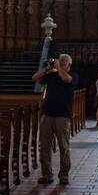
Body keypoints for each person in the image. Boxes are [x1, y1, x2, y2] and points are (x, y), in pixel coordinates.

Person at [33, 53, 78, 185]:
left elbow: (66, 79)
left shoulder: (73, 75)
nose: (61, 62)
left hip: (62, 116)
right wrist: (46, 69)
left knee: (63, 146)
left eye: (64, 61)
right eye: (60, 60)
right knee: (44, 146)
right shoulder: (52, 74)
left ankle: (64, 175)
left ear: (69, 64)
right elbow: (34, 78)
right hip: (47, 114)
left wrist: (58, 68)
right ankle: (47, 174)